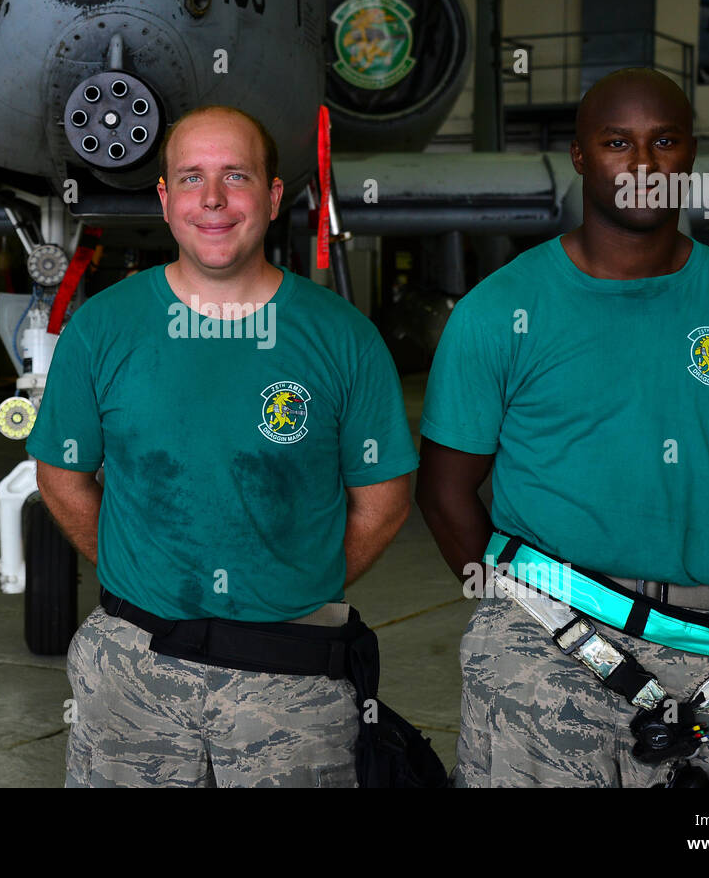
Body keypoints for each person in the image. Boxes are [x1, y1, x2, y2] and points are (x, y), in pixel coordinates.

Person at [417, 67, 709, 788]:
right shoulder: (497, 312)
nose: (641, 165)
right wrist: (528, 614)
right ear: (580, 156)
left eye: (663, 141)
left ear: (691, 153)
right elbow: (445, 493)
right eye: (615, 143)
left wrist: (692, 587)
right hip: (541, 651)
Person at [27, 105, 417, 787]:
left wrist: (289, 584)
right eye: (191, 178)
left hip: (293, 679)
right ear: (165, 198)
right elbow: (61, 474)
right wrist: (140, 570)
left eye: (235, 176)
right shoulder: (103, 329)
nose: (212, 200)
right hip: (132, 674)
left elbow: (382, 503)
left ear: (271, 196)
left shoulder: (342, 338)